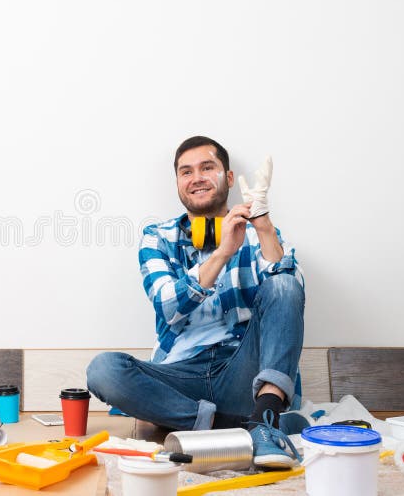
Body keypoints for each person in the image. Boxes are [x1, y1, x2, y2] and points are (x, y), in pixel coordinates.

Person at [86, 136, 306, 468]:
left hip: (242, 374)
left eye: (207, 167)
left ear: (228, 179)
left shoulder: (258, 233)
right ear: (178, 183)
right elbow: (167, 305)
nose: (196, 177)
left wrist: (262, 226)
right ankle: (241, 427)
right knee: (103, 370)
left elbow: (290, 292)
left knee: (284, 285)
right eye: (186, 171)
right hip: (181, 377)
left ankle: (264, 416)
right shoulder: (158, 237)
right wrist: (221, 254)